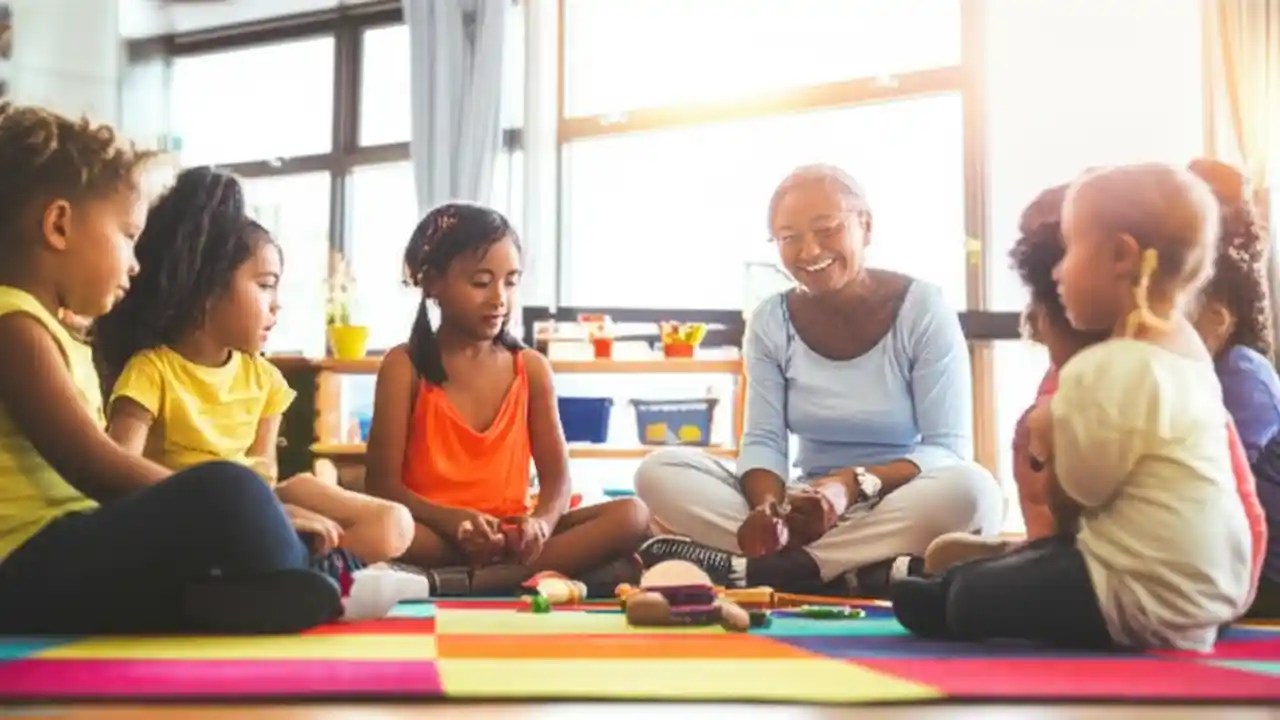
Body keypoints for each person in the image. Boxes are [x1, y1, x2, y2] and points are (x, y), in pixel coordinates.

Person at [0, 102, 342, 634]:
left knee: (232, 506)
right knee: (231, 491)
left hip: (63, 549)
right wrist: (254, 511)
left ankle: (252, 593)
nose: (136, 262)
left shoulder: (48, 330)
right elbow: (99, 467)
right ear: (59, 224)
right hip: (22, 568)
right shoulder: (14, 327)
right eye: (128, 234)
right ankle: (311, 578)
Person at [893, 162, 1263, 652]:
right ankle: (955, 581)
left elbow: (1088, 487)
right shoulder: (1187, 351)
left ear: (1119, 255)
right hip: (1212, 589)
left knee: (976, 593)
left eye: (1069, 251)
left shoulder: (1113, 365)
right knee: (1039, 561)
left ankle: (946, 595)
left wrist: (1057, 428)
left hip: (1133, 593)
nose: (1060, 273)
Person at [633, 164, 1003, 596]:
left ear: (865, 225)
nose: (809, 252)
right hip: (802, 508)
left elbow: (947, 448)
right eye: (789, 238)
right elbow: (764, 442)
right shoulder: (771, 319)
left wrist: (851, 484)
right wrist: (768, 510)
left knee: (974, 491)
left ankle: (773, 569)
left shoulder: (923, 308)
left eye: (826, 229)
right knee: (658, 471)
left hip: (898, 498)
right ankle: (852, 570)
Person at [94, 167, 427, 619]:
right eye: (265, 285)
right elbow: (119, 472)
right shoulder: (152, 370)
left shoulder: (265, 379)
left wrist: (278, 510)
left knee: (394, 522)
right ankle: (329, 580)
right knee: (248, 508)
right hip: (192, 518)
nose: (277, 304)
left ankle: (323, 574)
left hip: (256, 504)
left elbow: (264, 473)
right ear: (208, 288)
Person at [363, 202, 650, 596]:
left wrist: (541, 526)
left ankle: (471, 582)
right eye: (481, 282)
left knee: (632, 515)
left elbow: (557, 480)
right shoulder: (404, 367)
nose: (499, 298)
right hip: (437, 534)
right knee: (386, 528)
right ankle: (541, 575)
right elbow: (381, 485)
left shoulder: (530, 368)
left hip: (514, 539)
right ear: (432, 282)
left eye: (510, 281)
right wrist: (454, 522)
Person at [922, 185, 1107, 573]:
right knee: (941, 564)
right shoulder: (1057, 374)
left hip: (1113, 560)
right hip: (1059, 548)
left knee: (958, 597)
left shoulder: (1130, 368)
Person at [1188, 158, 1280, 618]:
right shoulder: (1195, 372)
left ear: (1218, 319)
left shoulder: (1242, 373)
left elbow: (1227, 489)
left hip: (1255, 568)